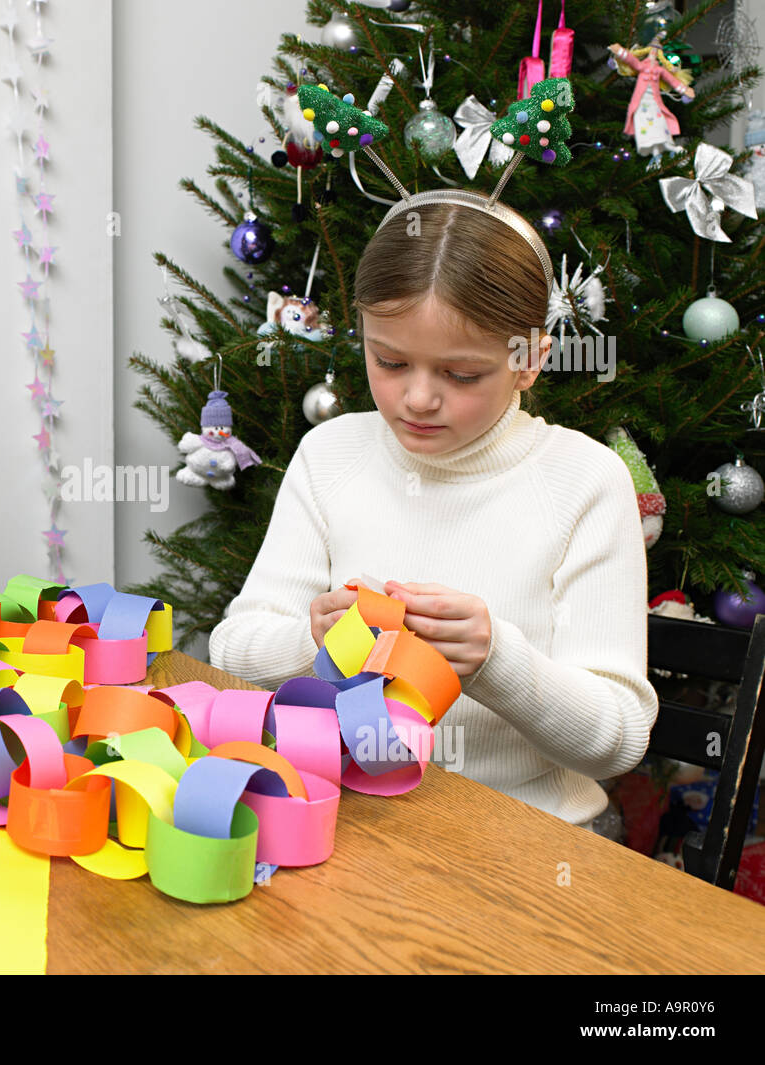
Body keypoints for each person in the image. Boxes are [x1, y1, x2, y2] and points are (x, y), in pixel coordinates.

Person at [208, 197, 659, 828]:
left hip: (532, 837)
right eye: (389, 362)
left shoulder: (583, 481)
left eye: (462, 373)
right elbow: (230, 651)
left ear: (528, 359)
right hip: (351, 818)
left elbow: (618, 739)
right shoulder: (330, 454)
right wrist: (310, 639)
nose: (417, 399)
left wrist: (495, 658)